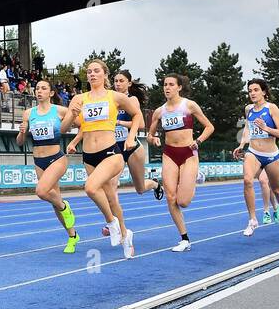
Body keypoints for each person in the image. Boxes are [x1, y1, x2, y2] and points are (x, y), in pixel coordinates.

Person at [61, 59, 139, 258]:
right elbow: (63, 128)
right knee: (111, 198)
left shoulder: (115, 96)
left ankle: (111, 223)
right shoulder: (79, 99)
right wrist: (73, 115)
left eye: (96, 71)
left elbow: (137, 115)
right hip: (89, 156)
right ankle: (125, 233)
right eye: (89, 72)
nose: (92, 74)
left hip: (111, 153)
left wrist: (130, 137)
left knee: (90, 187)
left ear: (105, 74)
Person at [148, 73, 214, 252]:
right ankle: (184, 239)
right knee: (171, 197)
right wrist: (153, 139)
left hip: (188, 153)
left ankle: (195, 176)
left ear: (179, 87)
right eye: (165, 85)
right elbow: (150, 134)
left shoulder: (189, 105)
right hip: (169, 154)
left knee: (183, 202)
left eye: (171, 84)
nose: (167, 87)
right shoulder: (159, 111)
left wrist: (198, 141)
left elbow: (210, 126)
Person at [15, 79, 78, 253]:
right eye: (37, 88)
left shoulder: (60, 111)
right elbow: (20, 142)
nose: (39, 91)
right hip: (39, 161)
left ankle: (66, 207)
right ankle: (72, 236)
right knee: (54, 202)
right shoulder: (28, 113)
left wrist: (74, 142)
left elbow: (82, 126)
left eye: (43, 88)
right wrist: (21, 132)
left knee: (41, 191)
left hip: (56, 158)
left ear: (50, 93)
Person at [232, 78, 279, 236]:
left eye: (256, 90)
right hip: (253, 152)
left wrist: (266, 127)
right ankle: (252, 220)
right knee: (247, 180)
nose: (252, 93)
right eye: (250, 90)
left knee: (277, 189)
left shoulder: (272, 108)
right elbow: (247, 129)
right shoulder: (248, 109)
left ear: (264, 92)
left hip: (271, 155)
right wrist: (242, 144)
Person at [112, 70, 160, 201]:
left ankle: (155, 184)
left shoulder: (131, 100)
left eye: (121, 81)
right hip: (114, 148)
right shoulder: (110, 102)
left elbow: (140, 124)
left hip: (132, 148)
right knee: (111, 185)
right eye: (115, 81)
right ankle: (115, 220)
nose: (118, 84)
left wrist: (119, 122)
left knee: (140, 189)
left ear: (129, 83)